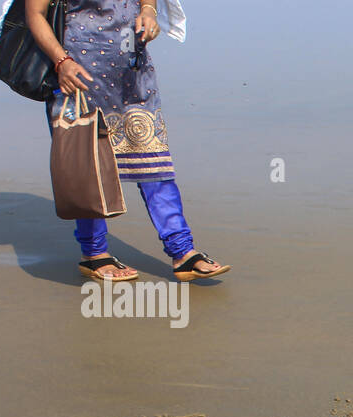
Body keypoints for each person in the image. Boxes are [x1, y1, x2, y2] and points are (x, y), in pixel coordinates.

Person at [24, 0, 228, 282]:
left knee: (154, 161)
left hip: (132, 73)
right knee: (87, 167)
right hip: (80, 74)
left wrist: (148, 11)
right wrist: (62, 62)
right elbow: (35, 14)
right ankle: (95, 255)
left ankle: (183, 253)